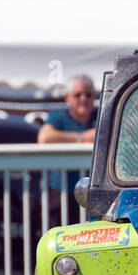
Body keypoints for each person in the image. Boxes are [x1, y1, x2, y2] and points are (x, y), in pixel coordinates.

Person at [38, 75, 98, 217]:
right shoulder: (58, 116)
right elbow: (44, 137)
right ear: (67, 98)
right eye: (78, 95)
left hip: (93, 195)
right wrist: (82, 138)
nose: (83, 99)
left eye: (88, 94)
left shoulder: (101, 115)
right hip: (61, 194)